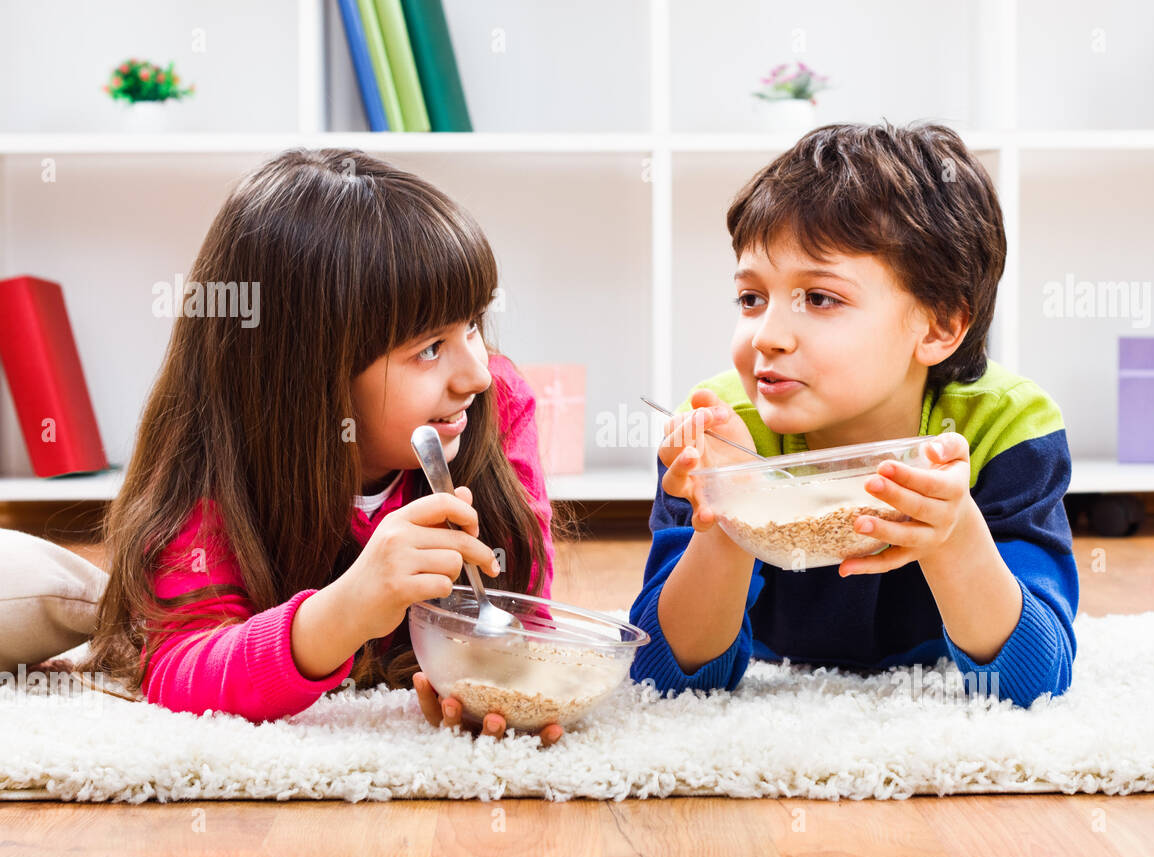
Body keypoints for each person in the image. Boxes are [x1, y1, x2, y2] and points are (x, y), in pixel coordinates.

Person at [83, 148, 564, 743]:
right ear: (308, 375)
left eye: (472, 325)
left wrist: (495, 674)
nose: (477, 375)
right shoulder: (212, 462)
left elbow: (525, 616)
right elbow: (180, 667)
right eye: (430, 348)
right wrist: (343, 611)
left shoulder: (496, 406)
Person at [631, 122, 1079, 708]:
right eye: (751, 298)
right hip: (772, 655)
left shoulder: (1005, 429)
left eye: (820, 298)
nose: (767, 336)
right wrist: (732, 509)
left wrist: (956, 535)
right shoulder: (722, 430)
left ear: (940, 325)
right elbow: (665, 678)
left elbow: (1036, 683)